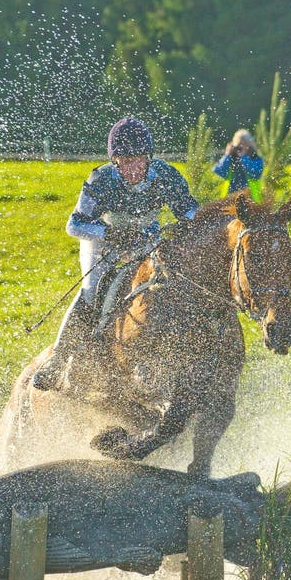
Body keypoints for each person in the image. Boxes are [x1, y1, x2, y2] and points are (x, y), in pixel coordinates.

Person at [32, 116, 199, 391]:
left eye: (138, 160)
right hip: (103, 243)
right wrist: (109, 234)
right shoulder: (101, 179)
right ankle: (58, 359)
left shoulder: (167, 175)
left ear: (149, 158)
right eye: (125, 161)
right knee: (91, 289)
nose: (132, 168)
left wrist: (191, 225)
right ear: (115, 161)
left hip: (148, 239)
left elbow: (191, 212)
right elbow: (74, 224)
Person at [212, 129, 264, 202]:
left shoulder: (256, 158)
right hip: (229, 199)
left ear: (249, 144)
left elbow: (255, 173)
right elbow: (218, 171)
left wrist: (243, 157)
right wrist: (227, 155)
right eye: (239, 144)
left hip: (251, 200)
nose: (241, 147)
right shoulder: (231, 158)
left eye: (244, 144)